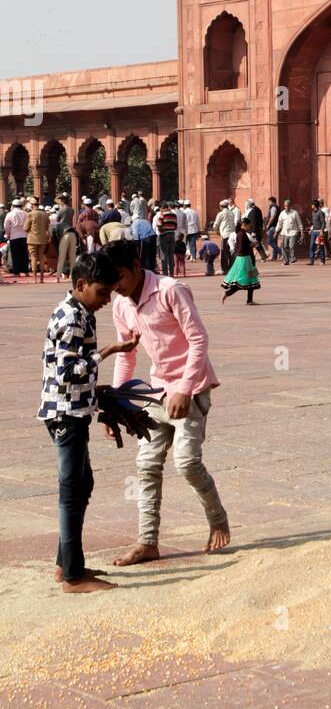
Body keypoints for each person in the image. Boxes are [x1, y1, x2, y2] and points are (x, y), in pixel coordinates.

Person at [102, 239, 231, 564]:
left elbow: (198, 339)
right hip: (157, 391)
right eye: (110, 281)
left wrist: (185, 389)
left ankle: (217, 518)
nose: (116, 286)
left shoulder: (170, 290)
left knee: (187, 463)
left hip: (192, 386)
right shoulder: (121, 305)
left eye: (119, 276)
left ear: (135, 266)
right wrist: (117, 403)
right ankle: (148, 541)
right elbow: (126, 356)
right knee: (146, 465)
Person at [39, 250, 139, 593]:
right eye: (102, 292)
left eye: (110, 293)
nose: (106, 300)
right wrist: (108, 352)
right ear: (81, 284)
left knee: (82, 486)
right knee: (71, 491)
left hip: (75, 410)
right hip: (65, 413)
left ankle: (66, 563)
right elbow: (67, 373)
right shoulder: (71, 319)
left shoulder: (81, 311)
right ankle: (72, 577)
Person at [221, 219, 260, 304]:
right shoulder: (241, 234)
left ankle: (249, 300)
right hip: (244, 259)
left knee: (251, 279)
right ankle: (228, 293)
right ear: (244, 225)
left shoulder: (243, 234)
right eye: (249, 225)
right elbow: (241, 248)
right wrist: (251, 246)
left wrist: (251, 245)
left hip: (247, 258)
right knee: (242, 280)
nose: (250, 227)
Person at [52, 193, 78, 283]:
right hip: (71, 230)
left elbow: (57, 221)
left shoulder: (61, 210)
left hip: (62, 231)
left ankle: (61, 274)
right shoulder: (72, 210)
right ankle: (71, 274)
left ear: (62, 201)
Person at [26, 203, 51, 283]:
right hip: (42, 239)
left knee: (33, 257)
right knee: (41, 258)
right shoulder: (45, 215)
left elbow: (25, 227)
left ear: (33, 205)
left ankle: (34, 279)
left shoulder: (30, 214)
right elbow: (47, 227)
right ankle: (42, 278)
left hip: (32, 239)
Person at [154, 201, 179, 276]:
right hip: (172, 235)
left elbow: (159, 223)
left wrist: (160, 228)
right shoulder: (174, 215)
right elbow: (175, 226)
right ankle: (171, 273)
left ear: (162, 208)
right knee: (171, 255)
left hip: (164, 235)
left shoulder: (162, 214)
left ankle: (165, 273)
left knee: (164, 255)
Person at [276, 199, 303, 265]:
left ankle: (293, 259)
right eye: (285, 206)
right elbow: (279, 223)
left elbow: (299, 222)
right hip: (284, 232)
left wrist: (301, 231)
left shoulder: (294, 213)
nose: (287, 207)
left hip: (293, 232)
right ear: (284, 206)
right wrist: (276, 231)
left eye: (288, 206)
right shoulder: (282, 213)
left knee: (291, 246)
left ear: (290, 206)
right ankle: (286, 261)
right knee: (284, 246)